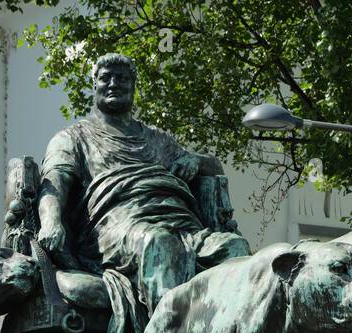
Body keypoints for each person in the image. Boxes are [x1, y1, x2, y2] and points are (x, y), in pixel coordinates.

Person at [36, 52, 248, 314]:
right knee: (158, 242)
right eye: (106, 78)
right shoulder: (73, 137)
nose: (114, 83)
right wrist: (51, 221)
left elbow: (214, 166)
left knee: (233, 247)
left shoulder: (157, 139)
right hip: (116, 228)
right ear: (95, 85)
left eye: (123, 79)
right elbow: (54, 183)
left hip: (182, 224)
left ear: (133, 87)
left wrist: (195, 161)